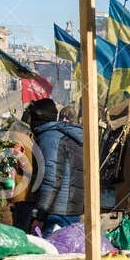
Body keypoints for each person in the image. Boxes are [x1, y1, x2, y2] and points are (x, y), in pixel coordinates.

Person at [22, 97, 85, 233]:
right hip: (72, 208)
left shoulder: (50, 138)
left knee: (52, 251)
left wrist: (40, 216)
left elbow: (51, 179)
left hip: (58, 212)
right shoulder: (64, 135)